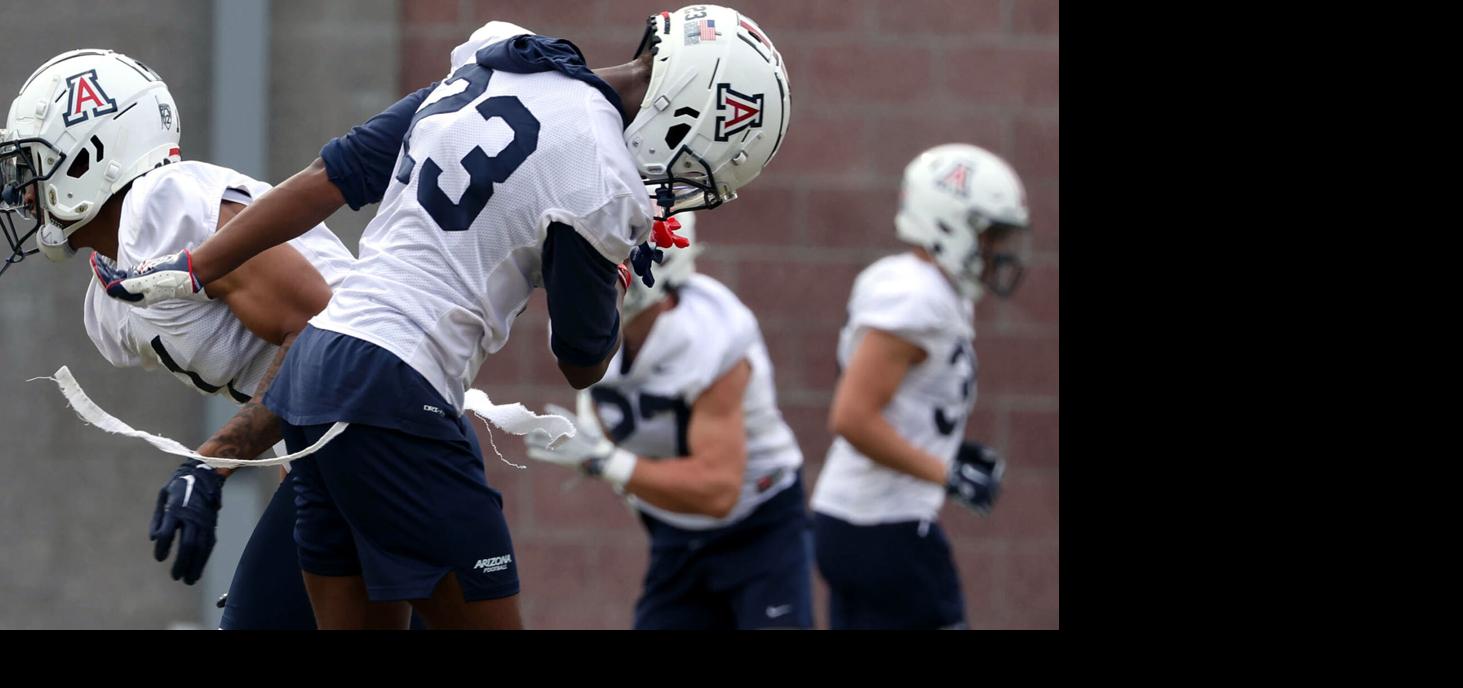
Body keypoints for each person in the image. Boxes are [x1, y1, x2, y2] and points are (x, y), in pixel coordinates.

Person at [92, 9, 792, 629]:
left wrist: (195, 266)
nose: (680, 183)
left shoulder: (499, 61)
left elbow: (324, 180)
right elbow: (581, 359)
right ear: (691, 114)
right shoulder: (604, 176)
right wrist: (615, 267)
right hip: (399, 395)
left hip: (316, 376)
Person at [1, 48, 358, 629]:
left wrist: (210, 464)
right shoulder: (109, 304)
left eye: (33, 166)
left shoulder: (162, 209)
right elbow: (283, 374)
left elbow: (327, 333)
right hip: (345, 442)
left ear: (89, 155)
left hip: (377, 423)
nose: (22, 191)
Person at [525, 212, 812, 629]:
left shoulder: (710, 333)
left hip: (756, 522)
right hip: (673, 526)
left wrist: (607, 462)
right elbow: (602, 402)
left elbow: (718, 492)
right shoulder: (585, 321)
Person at [810, 144, 1027, 630]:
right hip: (883, 526)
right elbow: (852, 417)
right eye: (989, 235)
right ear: (950, 223)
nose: (997, 251)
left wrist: (950, 448)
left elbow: (901, 404)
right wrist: (944, 472)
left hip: (864, 522)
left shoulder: (931, 290)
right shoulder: (917, 296)